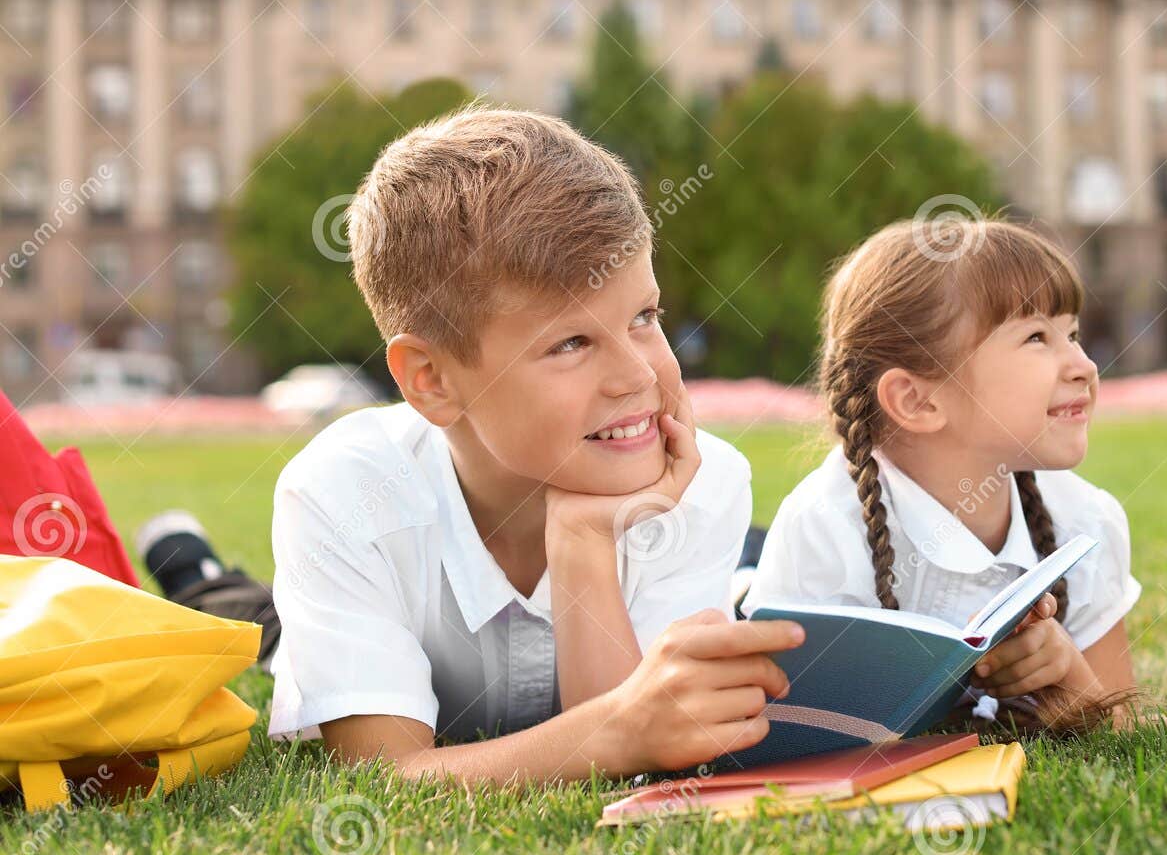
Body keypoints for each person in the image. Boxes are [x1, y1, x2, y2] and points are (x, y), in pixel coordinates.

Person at [267, 107, 803, 786]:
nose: (639, 376)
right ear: (431, 380)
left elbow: (646, 751)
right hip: (308, 614)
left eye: (644, 316)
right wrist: (620, 729)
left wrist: (583, 538)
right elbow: (387, 774)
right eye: (571, 343)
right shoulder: (343, 493)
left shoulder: (706, 481)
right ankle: (188, 556)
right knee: (248, 617)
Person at [743, 218, 1139, 732]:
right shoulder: (822, 533)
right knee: (744, 566)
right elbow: (794, 733)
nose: (1084, 365)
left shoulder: (1086, 521)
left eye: (1073, 334)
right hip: (750, 579)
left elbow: (1122, 723)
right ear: (918, 400)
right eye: (1038, 338)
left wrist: (1067, 676)